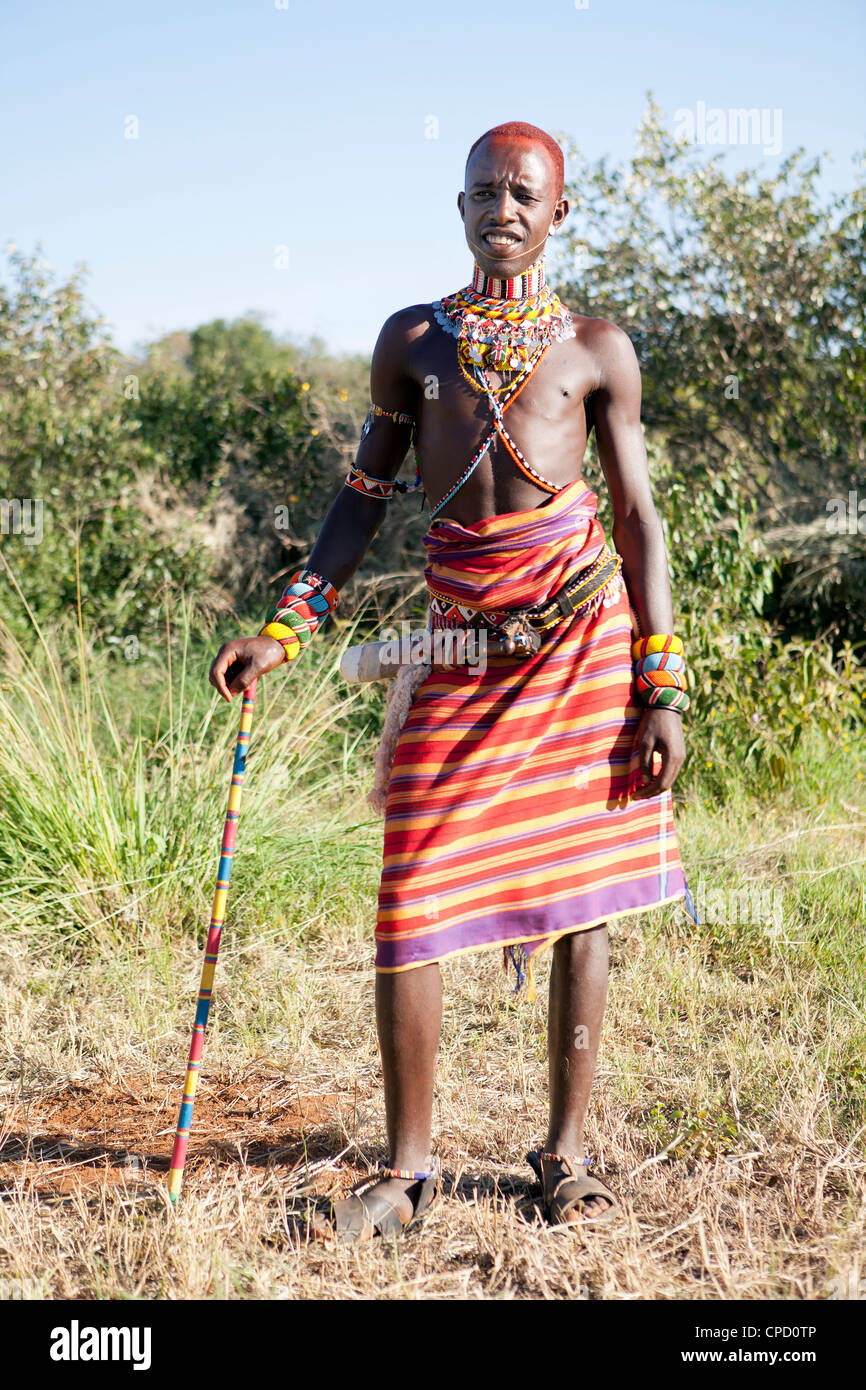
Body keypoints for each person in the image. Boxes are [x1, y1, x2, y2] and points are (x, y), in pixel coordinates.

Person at [209, 120, 695, 1243]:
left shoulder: (593, 348)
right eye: (483, 191)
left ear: (558, 210)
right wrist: (288, 624)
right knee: (410, 886)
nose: (502, 209)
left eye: (523, 192)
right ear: (459, 203)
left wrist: (657, 682)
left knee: (585, 898)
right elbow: (361, 498)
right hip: (456, 652)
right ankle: (407, 1172)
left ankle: (564, 1158)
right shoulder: (412, 341)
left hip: (581, 646)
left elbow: (633, 520)